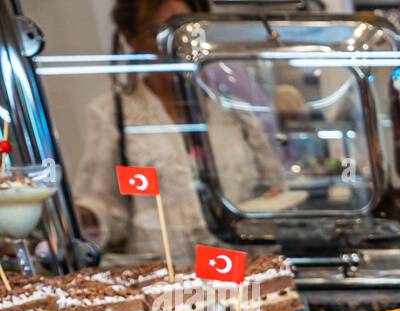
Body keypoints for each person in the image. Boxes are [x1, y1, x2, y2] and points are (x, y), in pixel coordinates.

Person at [75, 0, 285, 258]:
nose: (176, 48)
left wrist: (272, 200)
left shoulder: (235, 111)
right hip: (164, 279)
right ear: (133, 38)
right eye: (158, 33)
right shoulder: (112, 115)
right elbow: (103, 206)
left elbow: (272, 186)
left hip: (240, 272)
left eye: (188, 32)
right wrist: (81, 218)